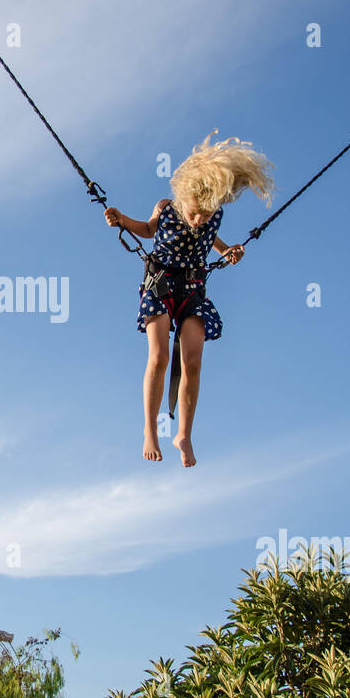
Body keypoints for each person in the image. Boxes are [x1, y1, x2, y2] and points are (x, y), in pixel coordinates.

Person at [104, 133, 274, 466]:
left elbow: (212, 240)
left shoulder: (213, 215)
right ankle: (150, 429)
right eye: (195, 214)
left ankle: (183, 434)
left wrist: (228, 251)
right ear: (185, 198)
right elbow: (148, 229)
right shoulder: (166, 208)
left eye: (206, 216)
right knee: (159, 356)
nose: (199, 221)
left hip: (193, 289)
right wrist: (121, 219)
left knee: (193, 361)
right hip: (160, 283)